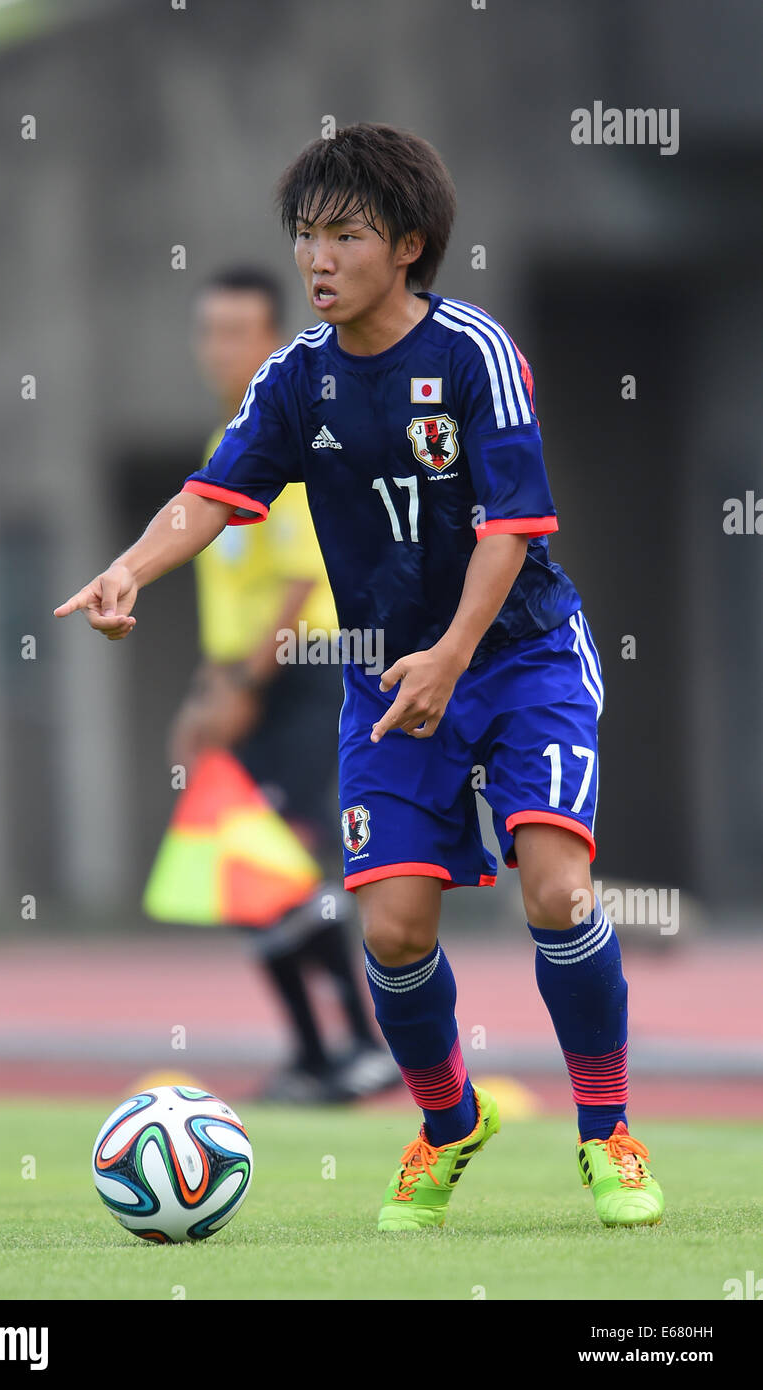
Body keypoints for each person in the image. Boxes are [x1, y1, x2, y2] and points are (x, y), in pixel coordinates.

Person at [56, 122, 665, 1232]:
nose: (315, 260)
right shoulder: (296, 381)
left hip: (521, 654)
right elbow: (212, 493)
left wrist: (451, 652)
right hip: (387, 682)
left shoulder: (473, 354)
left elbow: (513, 528)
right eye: (303, 235)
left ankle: (605, 1131)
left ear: (408, 244)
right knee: (389, 929)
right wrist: (127, 568)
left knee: (555, 887)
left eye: (342, 234)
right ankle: (447, 1123)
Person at [168, 266, 398, 1103]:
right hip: (244, 682)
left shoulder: (292, 432)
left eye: (238, 331)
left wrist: (241, 689)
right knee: (247, 876)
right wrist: (207, 696)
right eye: (210, 331)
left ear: (272, 340)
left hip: (299, 677)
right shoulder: (222, 444)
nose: (220, 348)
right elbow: (232, 598)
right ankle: (313, 1054)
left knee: (290, 867)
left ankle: (365, 1047)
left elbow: (301, 584)